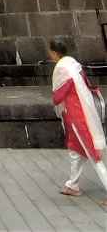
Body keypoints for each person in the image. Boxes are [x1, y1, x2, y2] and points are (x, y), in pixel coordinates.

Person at [49, 38, 107, 206]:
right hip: (82, 111)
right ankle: (72, 185)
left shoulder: (61, 68)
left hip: (76, 114)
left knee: (92, 155)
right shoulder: (73, 63)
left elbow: (58, 96)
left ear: (54, 52)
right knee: (76, 150)